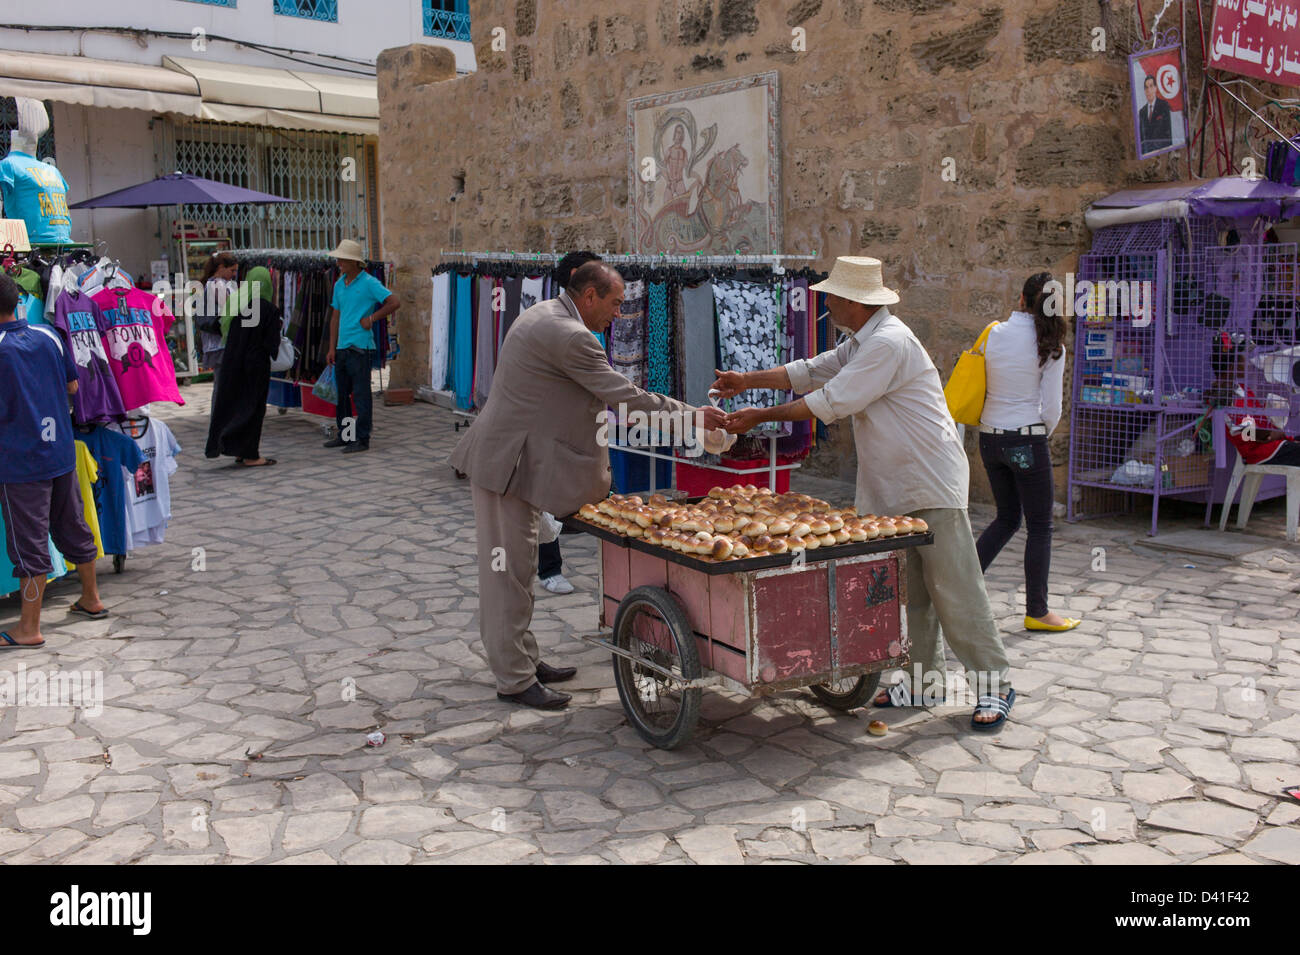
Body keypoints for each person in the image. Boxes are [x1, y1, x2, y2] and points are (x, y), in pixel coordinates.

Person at [713, 256, 1016, 731]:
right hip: (894, 484)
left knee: (956, 591)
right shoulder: (859, 341)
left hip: (929, 480)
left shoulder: (888, 344)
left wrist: (758, 416)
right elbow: (811, 371)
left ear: (855, 302)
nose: (826, 302)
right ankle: (922, 682)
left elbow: (830, 402)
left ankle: (995, 685)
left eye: (831, 295)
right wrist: (746, 381)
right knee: (909, 593)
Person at [450, 262, 726, 710]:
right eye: (616, 303)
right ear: (590, 296)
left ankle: (521, 659)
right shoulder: (573, 336)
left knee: (517, 575)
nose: (619, 313)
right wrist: (691, 415)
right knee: (507, 578)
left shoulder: (546, 313)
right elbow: (626, 396)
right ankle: (514, 679)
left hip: (517, 461)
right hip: (508, 466)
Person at [0, 273, 106, 648]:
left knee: (29, 546)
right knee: (72, 525)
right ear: (17, 301)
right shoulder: (49, 336)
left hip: (20, 463)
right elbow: (72, 386)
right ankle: (91, 598)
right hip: (59, 450)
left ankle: (28, 628)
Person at [974, 272, 1080, 632]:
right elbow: (1052, 408)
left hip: (989, 439)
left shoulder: (993, 334)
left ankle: (959, 589)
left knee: (1005, 518)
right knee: (1039, 526)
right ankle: (1037, 610)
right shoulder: (1050, 345)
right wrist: (1040, 438)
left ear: (1021, 298)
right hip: (1026, 440)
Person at [536, 250, 603, 597]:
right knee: (545, 495)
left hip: (589, 421)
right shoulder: (556, 322)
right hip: (557, 424)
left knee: (605, 493)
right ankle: (549, 569)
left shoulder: (590, 316)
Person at [323, 239, 399, 454]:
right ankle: (346, 435)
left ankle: (363, 438)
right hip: (342, 348)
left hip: (361, 347)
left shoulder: (369, 282)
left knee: (361, 395)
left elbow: (394, 302)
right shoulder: (339, 284)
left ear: (354, 262)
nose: (338, 262)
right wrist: (332, 347)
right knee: (343, 395)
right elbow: (335, 317)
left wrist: (372, 318)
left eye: (342, 259)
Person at [204, 266, 282, 467]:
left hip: (232, 363)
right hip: (255, 366)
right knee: (254, 409)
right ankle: (251, 455)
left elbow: (223, 329)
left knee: (235, 405)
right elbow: (271, 344)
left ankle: (236, 449)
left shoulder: (237, 303)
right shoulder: (269, 310)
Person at [1213, 332, 1300, 467]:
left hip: (1270, 441)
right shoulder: (1224, 397)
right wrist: (1271, 434)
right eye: (1242, 358)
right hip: (1258, 451)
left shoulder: (1241, 388)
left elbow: (1260, 419)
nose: (1246, 362)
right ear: (1232, 366)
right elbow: (1242, 432)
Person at [194, 252, 238, 392]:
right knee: (223, 385)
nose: (234, 274)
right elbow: (229, 308)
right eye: (232, 270)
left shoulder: (214, 283)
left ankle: (221, 413)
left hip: (216, 342)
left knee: (222, 384)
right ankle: (219, 413)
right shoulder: (217, 284)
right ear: (221, 267)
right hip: (220, 343)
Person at [1138, 74, 1172, 153]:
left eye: (1151, 86)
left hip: (1162, 151)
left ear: (1155, 88)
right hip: (1147, 154)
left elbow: (1168, 133)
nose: (1148, 90)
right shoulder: (1142, 112)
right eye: (1146, 87)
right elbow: (1142, 137)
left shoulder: (1164, 105)